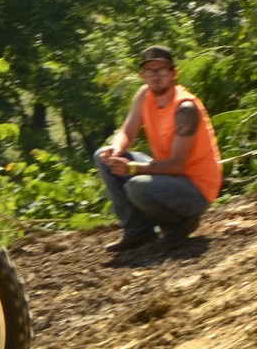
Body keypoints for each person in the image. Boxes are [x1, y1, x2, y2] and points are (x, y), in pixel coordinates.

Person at [95, 45, 223, 253]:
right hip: (169, 178)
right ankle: (138, 232)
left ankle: (178, 227)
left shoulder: (185, 108)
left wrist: (133, 168)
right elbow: (127, 131)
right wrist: (115, 150)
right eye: (150, 71)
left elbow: (176, 165)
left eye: (162, 71)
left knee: (136, 185)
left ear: (173, 74)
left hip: (195, 189)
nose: (156, 77)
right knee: (102, 158)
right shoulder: (144, 95)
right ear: (142, 75)